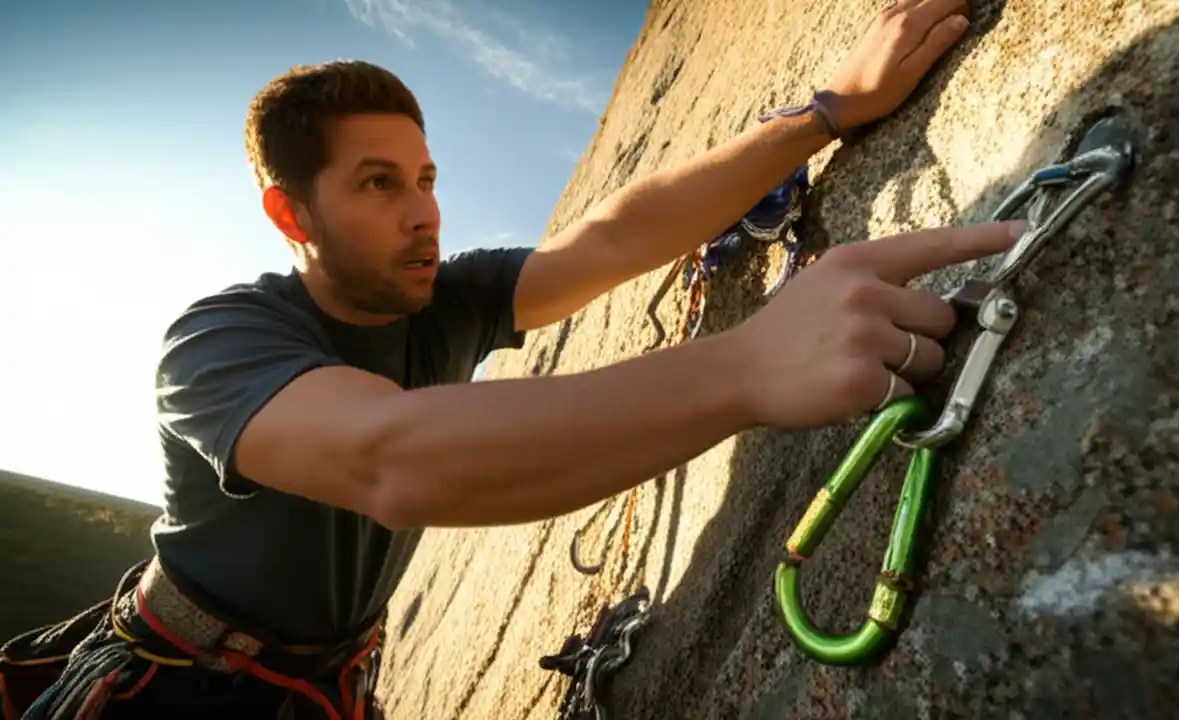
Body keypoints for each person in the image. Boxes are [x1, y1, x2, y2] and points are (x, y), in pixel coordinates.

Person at [0, 1, 1026, 717]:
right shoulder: (218, 342)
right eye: (377, 185)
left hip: (326, 687)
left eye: (426, 178)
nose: (423, 213)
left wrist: (824, 112)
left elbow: (611, 241)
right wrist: (747, 367)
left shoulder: (441, 298)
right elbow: (391, 459)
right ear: (290, 213)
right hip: (176, 687)